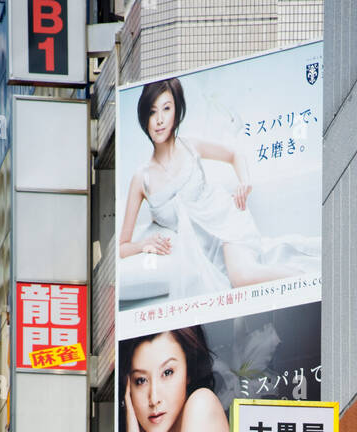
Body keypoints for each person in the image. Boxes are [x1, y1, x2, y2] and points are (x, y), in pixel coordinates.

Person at [119, 77, 318, 296]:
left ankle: (305, 280)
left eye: (166, 109)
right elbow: (123, 246)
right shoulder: (141, 178)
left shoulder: (190, 146)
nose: (159, 120)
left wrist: (244, 182)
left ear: (177, 111)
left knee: (241, 277)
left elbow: (235, 154)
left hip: (226, 222)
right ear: (144, 117)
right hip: (199, 250)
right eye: (152, 112)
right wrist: (144, 244)